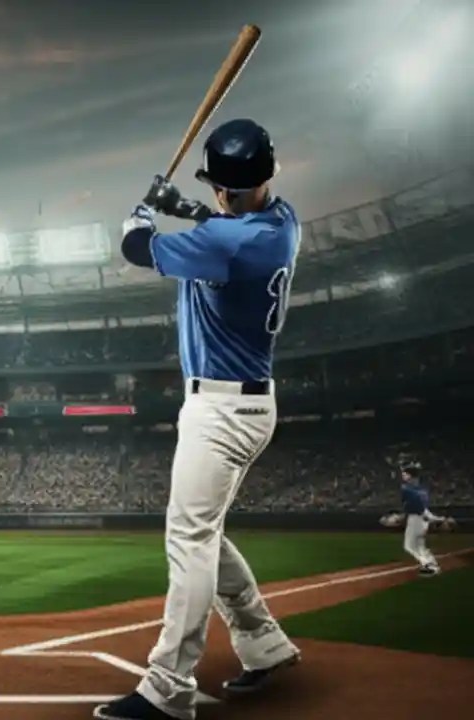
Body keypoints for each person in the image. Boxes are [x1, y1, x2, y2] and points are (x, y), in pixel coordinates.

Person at [94, 119, 302, 720]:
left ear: (223, 189)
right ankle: (264, 644)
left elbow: (136, 248)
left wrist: (141, 212)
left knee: (187, 539)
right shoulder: (282, 221)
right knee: (204, 531)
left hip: (220, 410)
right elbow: (226, 225)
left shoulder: (221, 246)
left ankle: (168, 689)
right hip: (248, 401)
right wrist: (182, 205)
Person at [398, 456, 452, 576]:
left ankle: (428, 564)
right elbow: (424, 509)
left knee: (409, 546)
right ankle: (434, 564)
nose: (403, 476)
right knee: (421, 546)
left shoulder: (406, 489)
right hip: (424, 520)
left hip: (415, 519)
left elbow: (411, 507)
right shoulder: (423, 490)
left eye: (405, 474)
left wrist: (400, 517)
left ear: (410, 475)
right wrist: (437, 518)